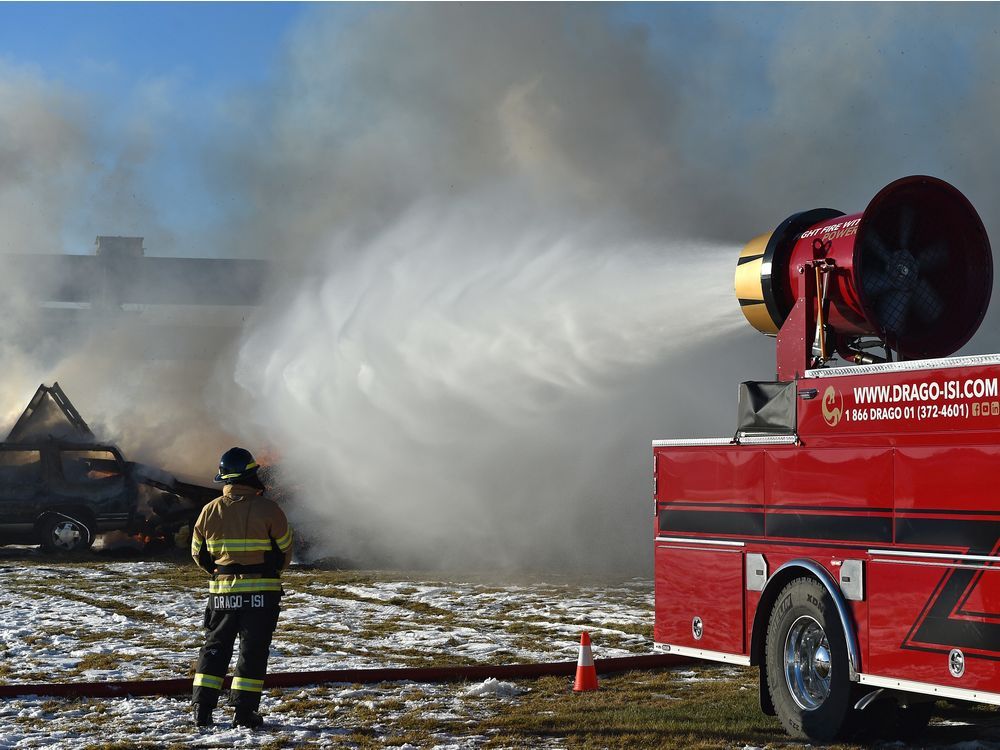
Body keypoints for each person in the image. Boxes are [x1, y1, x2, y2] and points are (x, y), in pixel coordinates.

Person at [190, 447, 293, 729]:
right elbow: (285, 552)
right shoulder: (270, 510)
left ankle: (202, 709)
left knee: (215, 647)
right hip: (262, 595)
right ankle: (243, 714)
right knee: (253, 651)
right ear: (251, 476)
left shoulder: (209, 511)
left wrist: (220, 572)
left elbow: (198, 554)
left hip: (223, 595)